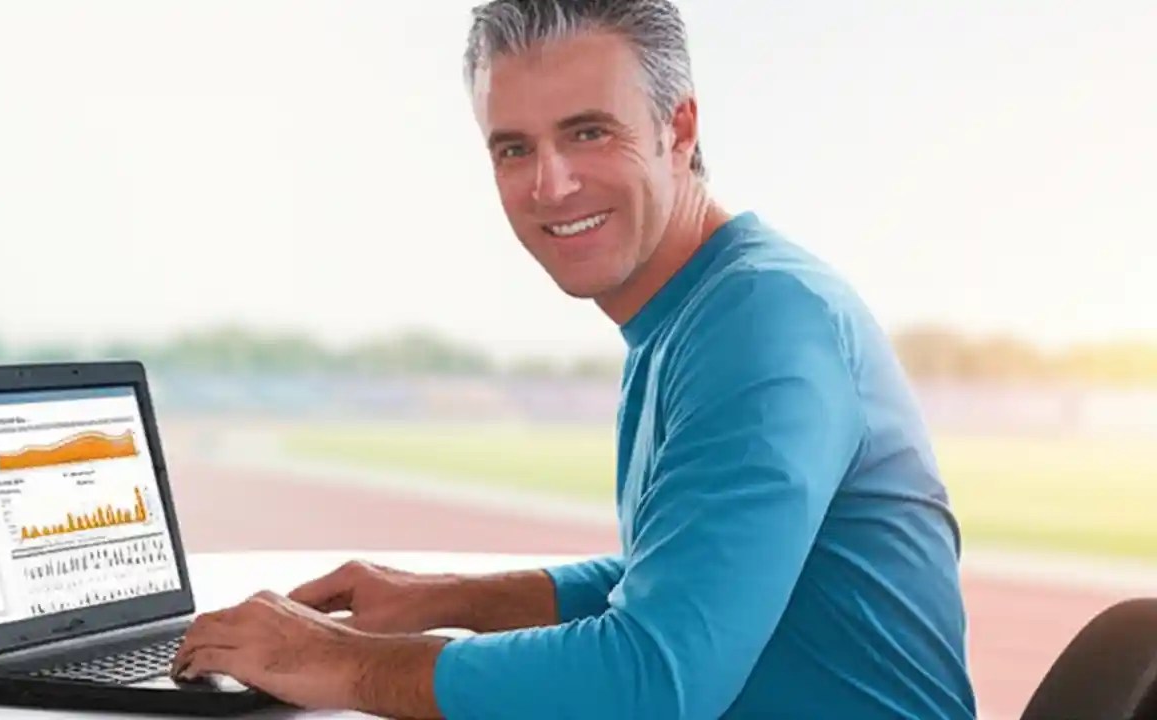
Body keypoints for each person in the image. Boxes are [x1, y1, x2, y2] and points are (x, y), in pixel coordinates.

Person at [170, 1, 978, 717]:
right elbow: (687, 578)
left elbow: (655, 680)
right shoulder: (690, 313)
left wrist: (331, 661)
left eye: (588, 133)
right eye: (513, 149)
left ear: (680, 129)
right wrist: (444, 601)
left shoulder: (764, 324)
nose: (550, 186)